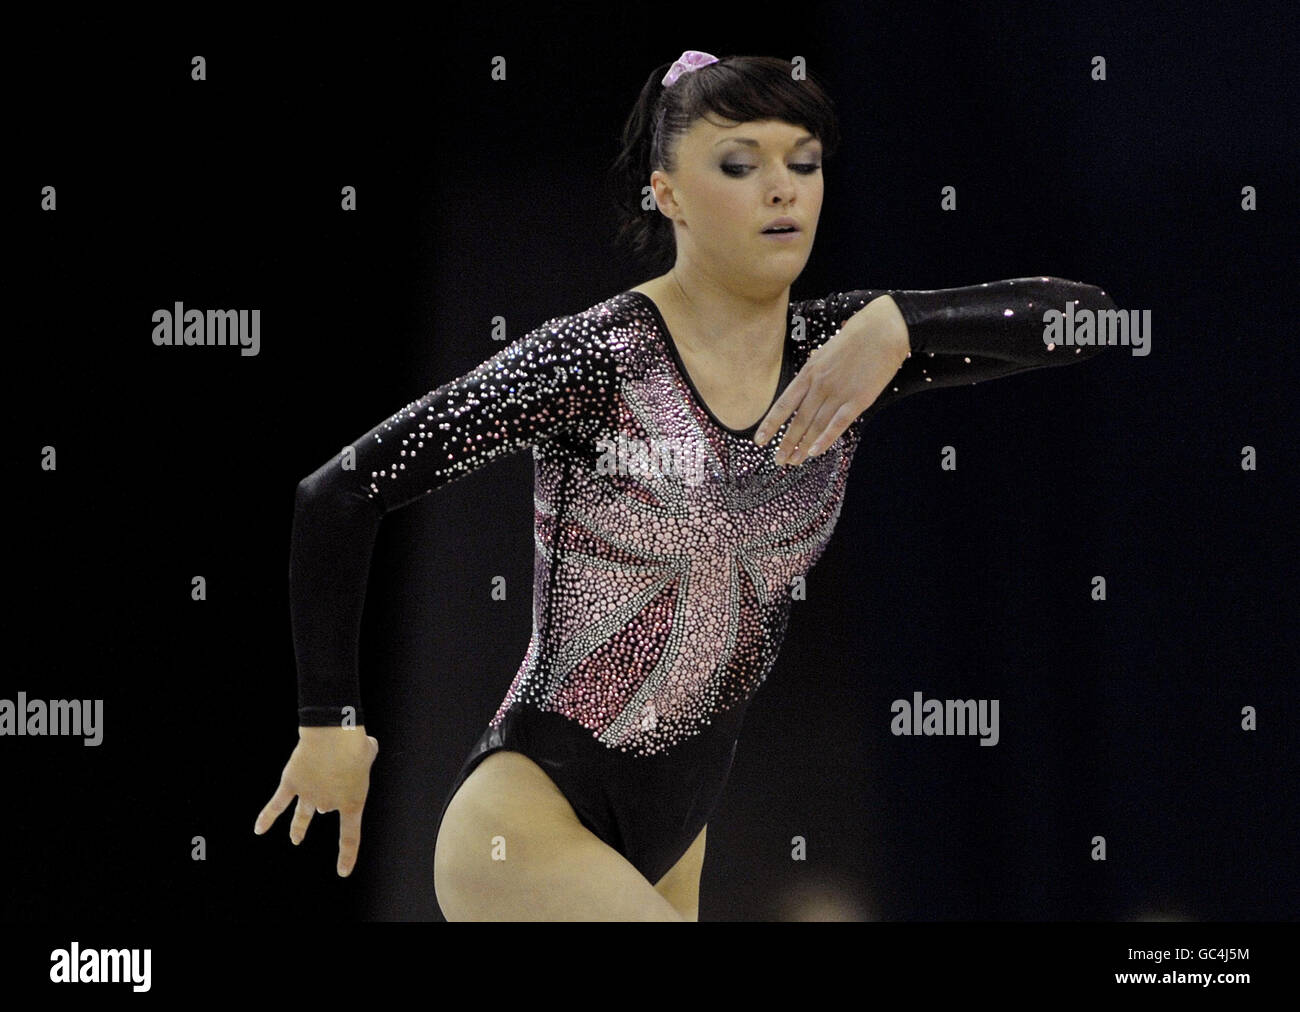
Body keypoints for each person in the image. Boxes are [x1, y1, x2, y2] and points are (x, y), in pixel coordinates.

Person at [254, 51, 1118, 921]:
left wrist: (902, 322)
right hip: (529, 823)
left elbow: (1088, 316)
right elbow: (340, 490)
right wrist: (327, 721)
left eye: (804, 162)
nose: (783, 188)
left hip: (673, 845)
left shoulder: (842, 356)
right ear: (666, 193)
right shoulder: (595, 358)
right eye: (740, 164)